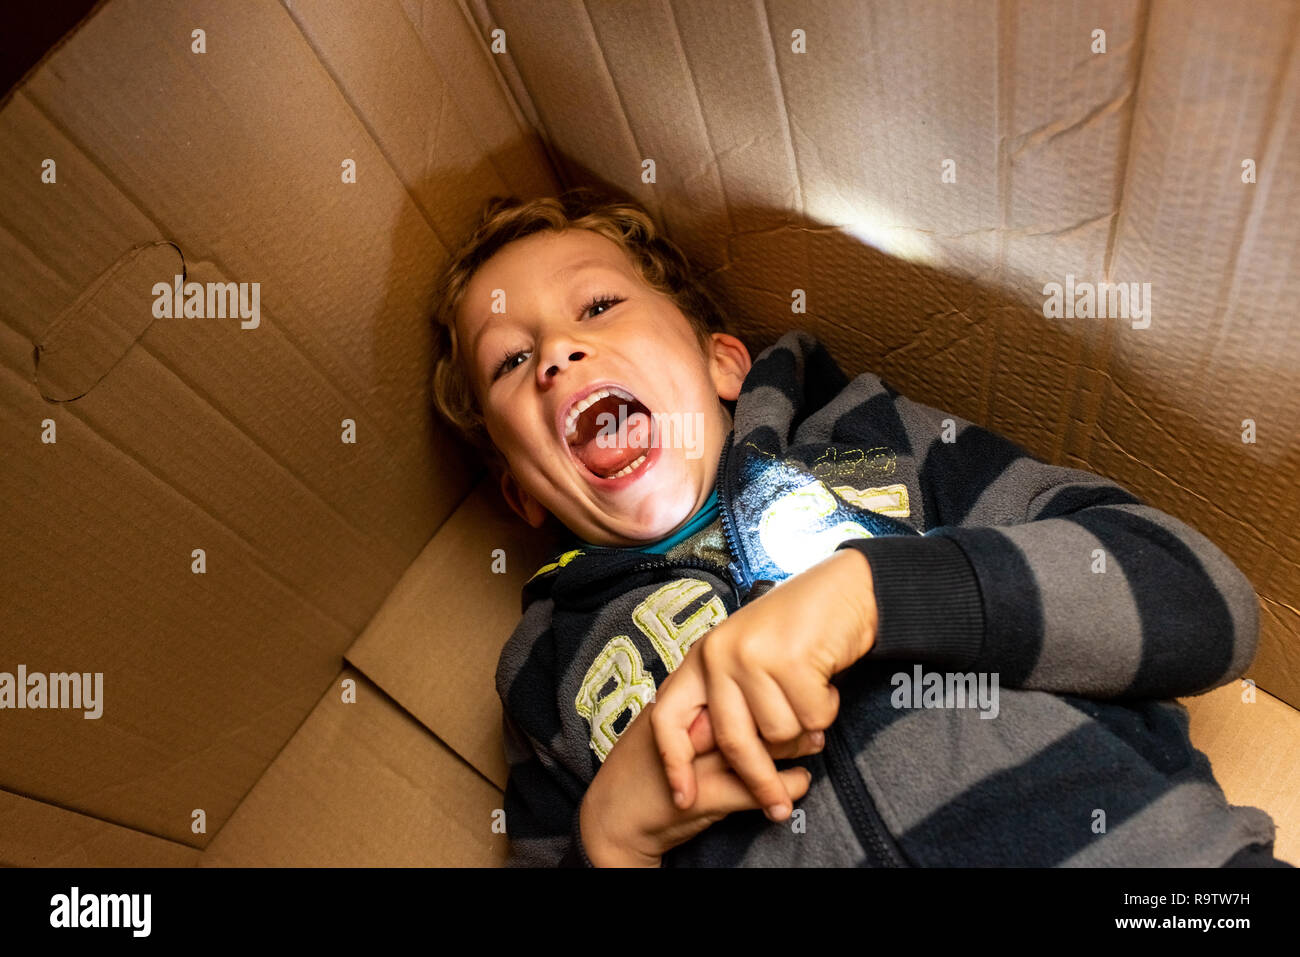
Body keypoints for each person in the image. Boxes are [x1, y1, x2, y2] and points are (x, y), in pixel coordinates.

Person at [428, 187, 1287, 867]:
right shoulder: (544, 677)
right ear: (521, 495)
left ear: (723, 361)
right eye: (510, 359)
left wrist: (875, 594)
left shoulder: (871, 440)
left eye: (599, 305)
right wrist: (613, 844)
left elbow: (1205, 599)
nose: (556, 355)